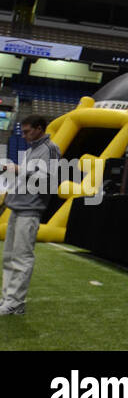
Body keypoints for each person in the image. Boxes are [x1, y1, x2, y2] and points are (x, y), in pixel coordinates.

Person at [1, 115, 60, 316]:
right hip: (18, 208)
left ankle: (16, 302)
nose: (24, 135)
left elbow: (48, 180)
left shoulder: (50, 148)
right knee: (9, 257)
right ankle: (8, 298)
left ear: (39, 129)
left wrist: (17, 169)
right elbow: (23, 179)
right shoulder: (31, 150)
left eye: (27, 131)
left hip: (31, 210)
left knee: (21, 258)